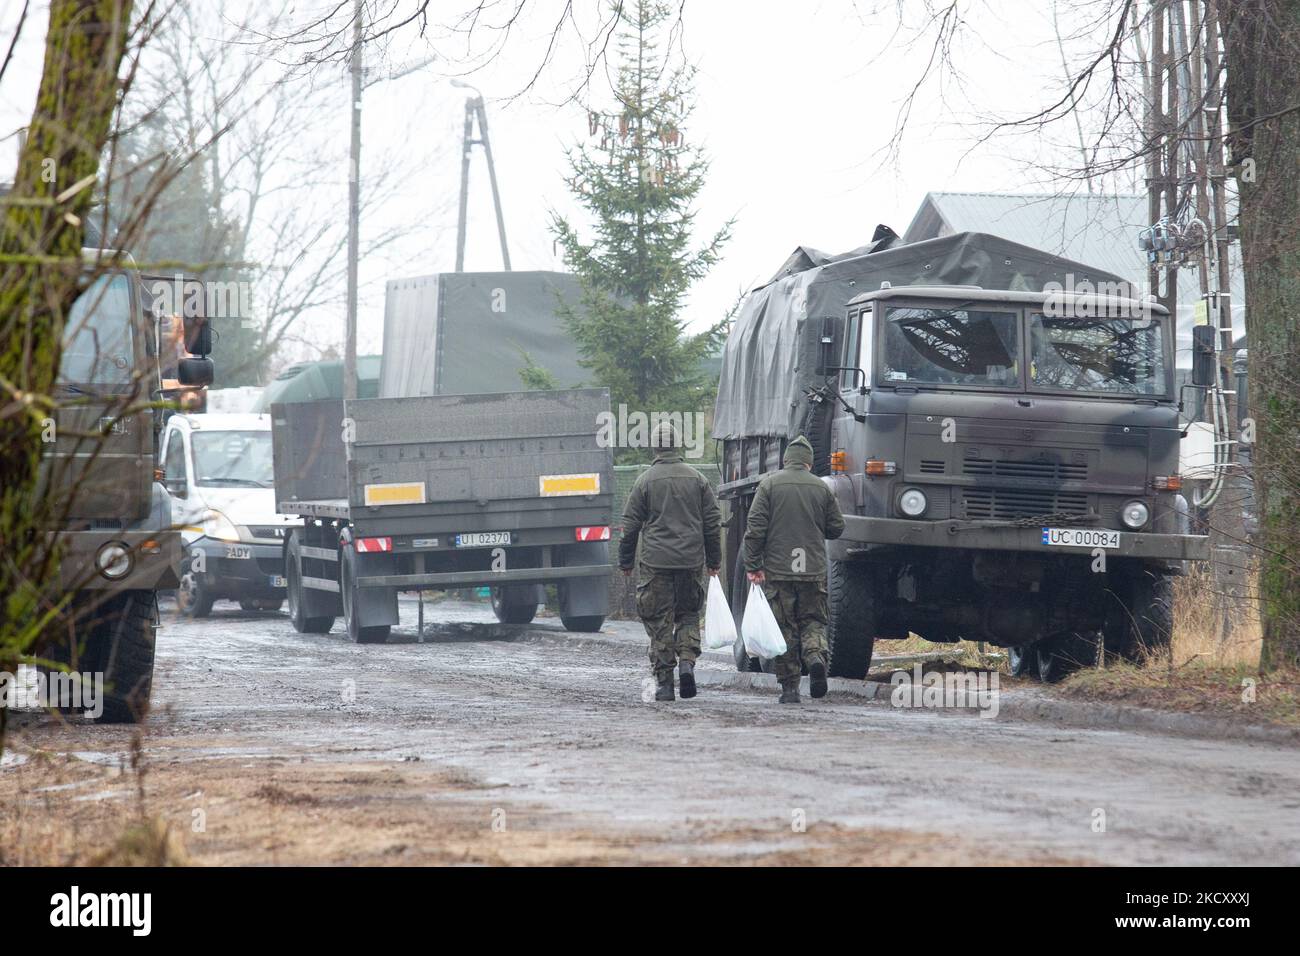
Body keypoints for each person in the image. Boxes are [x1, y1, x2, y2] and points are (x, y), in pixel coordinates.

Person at [619, 421, 722, 701]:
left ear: (655, 447)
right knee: (688, 614)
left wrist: (626, 561)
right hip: (690, 561)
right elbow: (712, 523)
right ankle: (687, 660)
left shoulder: (645, 481)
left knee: (659, 620)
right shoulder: (697, 479)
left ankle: (665, 684)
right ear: (677, 445)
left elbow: (629, 527)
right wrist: (714, 561)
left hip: (656, 563)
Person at [742, 435, 845, 703]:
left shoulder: (769, 485)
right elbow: (837, 528)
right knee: (813, 620)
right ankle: (814, 658)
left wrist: (753, 565)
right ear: (809, 463)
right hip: (813, 570)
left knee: (784, 626)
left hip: (778, 571)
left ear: (786, 460)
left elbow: (755, 530)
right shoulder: (822, 488)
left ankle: (790, 689)